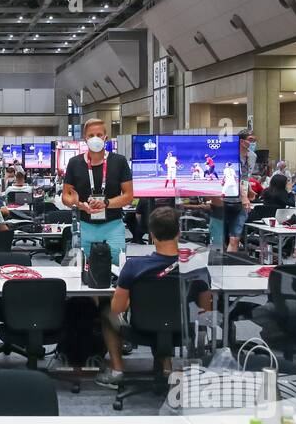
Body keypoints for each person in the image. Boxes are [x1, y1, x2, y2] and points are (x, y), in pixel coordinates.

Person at [96, 207, 214, 389]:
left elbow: (117, 309)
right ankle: (167, 367)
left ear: (151, 235)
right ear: (179, 233)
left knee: (106, 311)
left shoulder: (133, 266)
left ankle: (117, 370)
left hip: (141, 329)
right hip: (181, 331)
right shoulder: (196, 266)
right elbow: (206, 310)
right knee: (168, 315)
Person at [62, 118, 134, 264]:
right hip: (84, 227)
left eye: (99, 135)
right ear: (85, 138)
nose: (95, 138)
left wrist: (105, 203)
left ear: (105, 137)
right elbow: (65, 196)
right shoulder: (74, 163)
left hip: (112, 227)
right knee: (82, 272)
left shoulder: (119, 161)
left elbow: (128, 196)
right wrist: (78, 204)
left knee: (115, 271)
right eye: (91, 135)